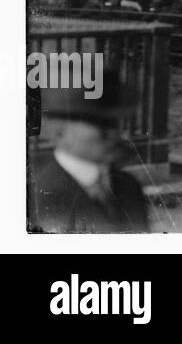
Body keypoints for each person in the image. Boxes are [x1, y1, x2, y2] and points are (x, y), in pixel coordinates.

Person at [28, 72, 151, 233]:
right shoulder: (35, 196)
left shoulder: (129, 186)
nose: (114, 133)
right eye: (100, 123)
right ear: (60, 132)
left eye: (114, 123)